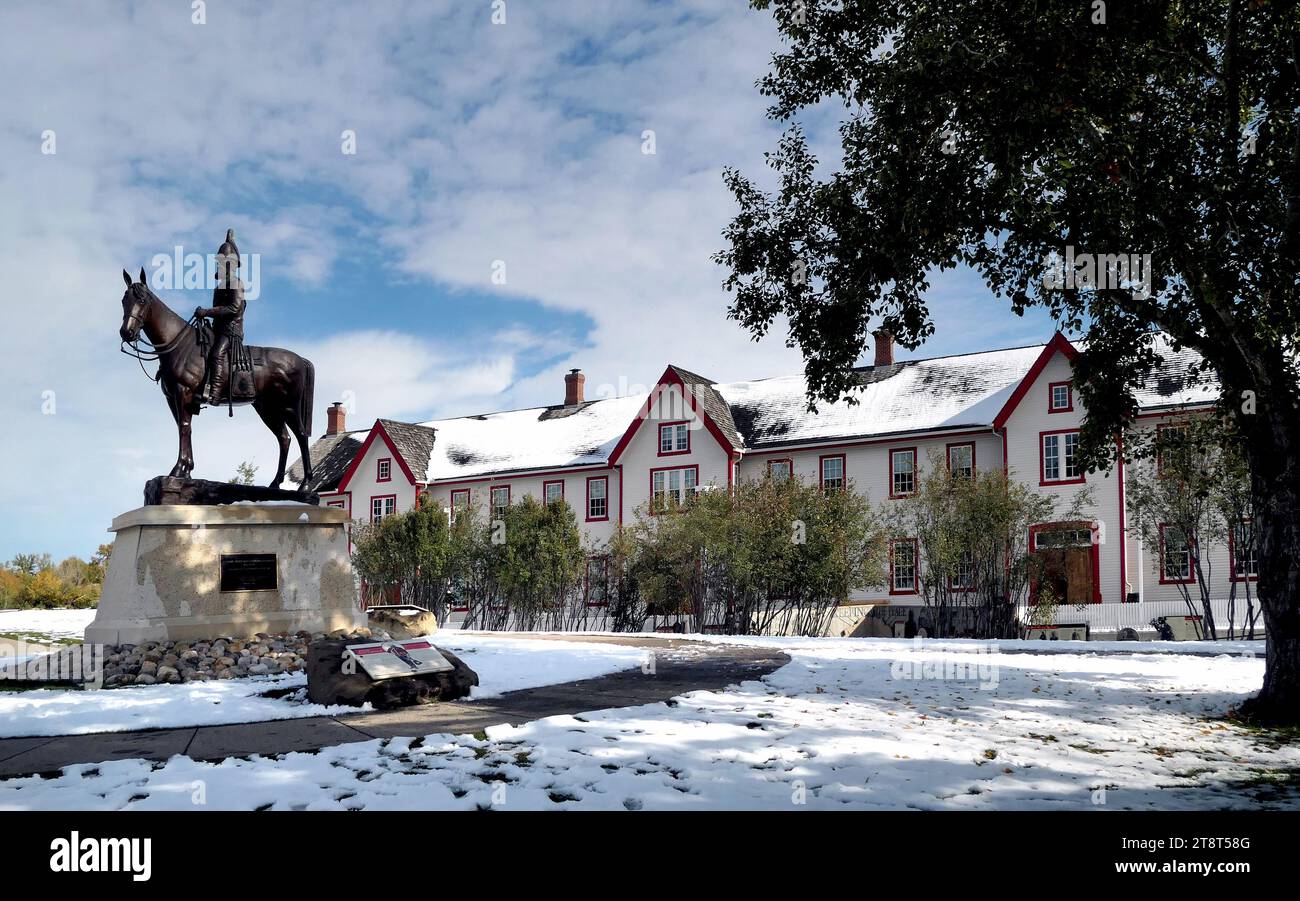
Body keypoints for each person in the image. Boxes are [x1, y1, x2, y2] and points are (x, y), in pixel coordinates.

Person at [195, 229, 246, 407]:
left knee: (217, 355)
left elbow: (233, 308)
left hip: (230, 331)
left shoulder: (236, 284)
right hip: (217, 329)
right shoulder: (219, 287)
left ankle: (214, 393)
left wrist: (206, 312)